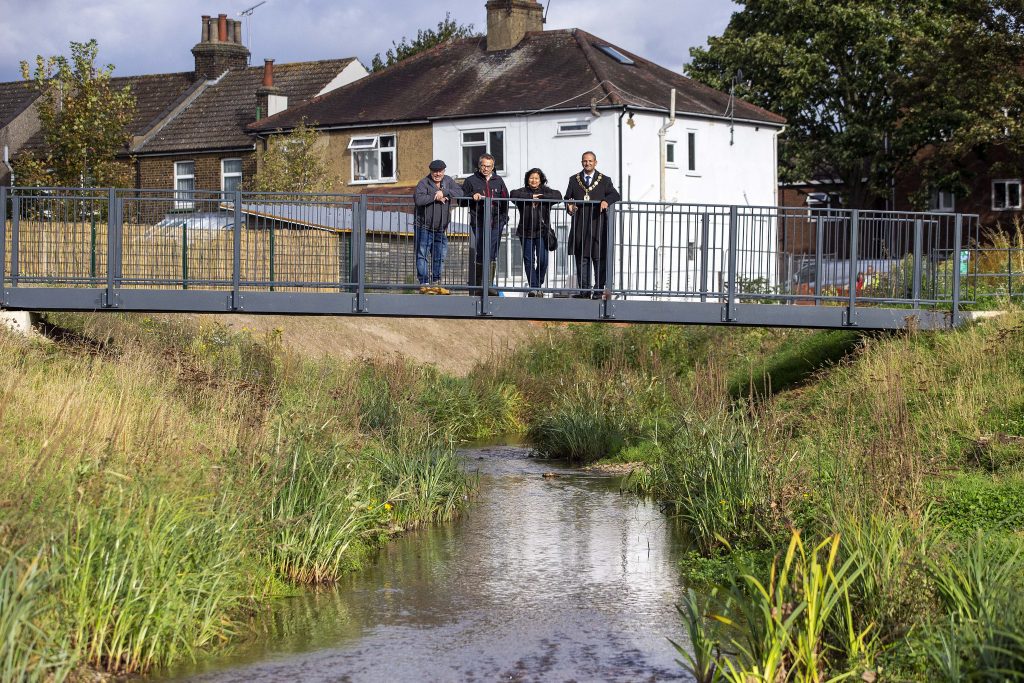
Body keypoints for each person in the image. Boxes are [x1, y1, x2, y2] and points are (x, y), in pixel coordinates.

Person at [564, 151, 621, 298]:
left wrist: (606, 201)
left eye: (590, 161)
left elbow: (615, 195)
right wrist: (569, 205)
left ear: (595, 162)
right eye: (584, 161)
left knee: (599, 258)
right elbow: (567, 197)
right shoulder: (573, 179)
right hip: (580, 225)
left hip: (598, 224)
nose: (587, 163)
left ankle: (597, 291)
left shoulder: (605, 180)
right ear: (581, 162)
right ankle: (584, 291)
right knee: (582, 258)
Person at [461, 154, 509, 294]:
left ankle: (488, 286)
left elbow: (505, 199)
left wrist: (504, 218)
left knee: (492, 252)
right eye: (483, 165)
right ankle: (478, 287)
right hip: (479, 221)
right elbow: (461, 201)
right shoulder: (471, 180)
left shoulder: (498, 180)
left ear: (493, 167)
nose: (486, 168)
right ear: (479, 165)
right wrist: (472, 196)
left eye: (489, 166)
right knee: (482, 251)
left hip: (496, 221)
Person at [413, 159, 462, 294]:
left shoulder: (448, 181)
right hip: (424, 226)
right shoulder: (423, 183)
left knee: (439, 256)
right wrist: (436, 196)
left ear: (444, 171)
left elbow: (460, 192)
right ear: (431, 171)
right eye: (435, 171)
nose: (438, 174)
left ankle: (436, 282)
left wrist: (444, 192)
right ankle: (424, 283)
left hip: (441, 228)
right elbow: (419, 200)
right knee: (422, 255)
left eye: (440, 171)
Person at [510, 168, 561, 296]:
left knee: (543, 260)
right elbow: (512, 194)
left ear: (541, 180)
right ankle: (534, 287)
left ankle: (537, 284)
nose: (534, 180)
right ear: (528, 179)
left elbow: (558, 196)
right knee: (529, 260)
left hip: (542, 231)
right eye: (531, 178)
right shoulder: (523, 191)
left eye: (536, 178)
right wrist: (530, 197)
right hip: (525, 231)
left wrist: (541, 197)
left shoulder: (546, 191)